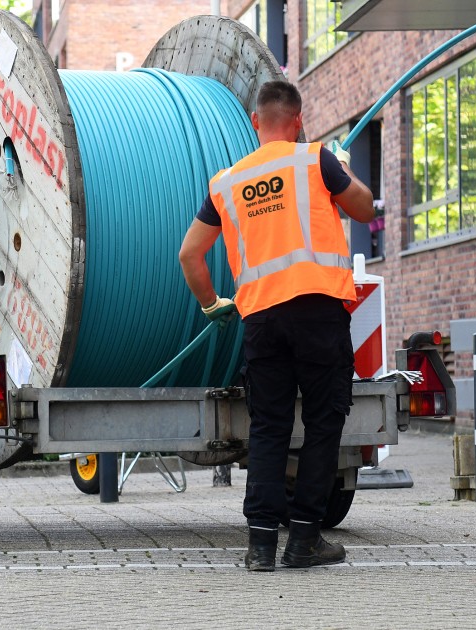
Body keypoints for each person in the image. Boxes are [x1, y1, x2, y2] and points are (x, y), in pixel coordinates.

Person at [178, 80, 375, 572]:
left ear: (255, 123)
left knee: (268, 428)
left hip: (261, 318)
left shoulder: (227, 182)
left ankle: (260, 545)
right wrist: (343, 171)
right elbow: (365, 209)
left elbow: (189, 255)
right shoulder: (316, 160)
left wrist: (212, 304)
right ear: (299, 119)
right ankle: (304, 539)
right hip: (318, 314)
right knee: (324, 422)